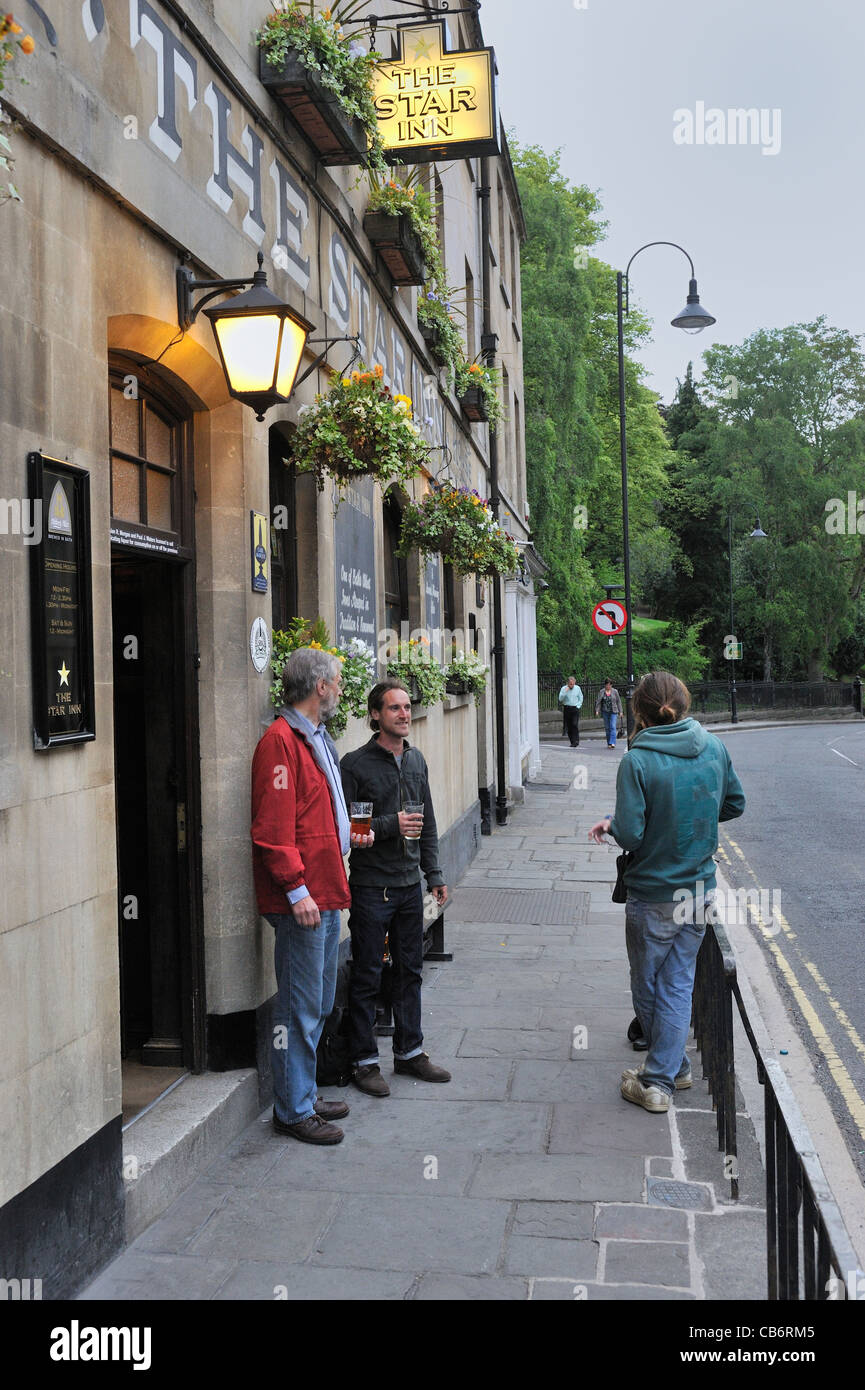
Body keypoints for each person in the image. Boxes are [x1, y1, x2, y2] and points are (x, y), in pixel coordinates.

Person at [588, 671, 745, 1114]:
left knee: (647, 983)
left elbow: (633, 835)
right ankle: (674, 1068)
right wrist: (694, 823)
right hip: (699, 890)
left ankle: (658, 1080)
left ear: (638, 710)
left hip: (654, 893)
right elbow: (734, 804)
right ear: (684, 703)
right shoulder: (714, 747)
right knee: (678, 983)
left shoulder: (637, 761)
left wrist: (613, 824)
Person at [251, 647, 374, 1145]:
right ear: (319, 686)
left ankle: (303, 1091)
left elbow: (316, 812)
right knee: (299, 1007)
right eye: (338, 682)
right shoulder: (280, 742)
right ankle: (293, 1109)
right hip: (304, 897)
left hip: (326, 888)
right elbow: (272, 829)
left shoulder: (313, 737)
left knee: (320, 1000)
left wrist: (348, 836)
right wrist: (296, 888)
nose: (341, 688)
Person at [340, 679, 451, 1096]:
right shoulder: (355, 765)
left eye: (407, 707)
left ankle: (409, 1053)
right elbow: (347, 828)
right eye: (394, 709)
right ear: (375, 715)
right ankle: (364, 1061)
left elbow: (429, 823)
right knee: (368, 973)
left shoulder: (416, 760)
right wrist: (390, 826)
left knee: (410, 972)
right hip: (371, 886)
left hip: (409, 886)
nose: (404, 714)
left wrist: (434, 874)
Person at [595, 678, 623, 747]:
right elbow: (598, 702)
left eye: (609, 685)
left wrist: (621, 711)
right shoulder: (602, 692)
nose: (608, 686)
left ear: (611, 685)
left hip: (614, 711)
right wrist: (597, 710)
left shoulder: (615, 691)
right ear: (605, 685)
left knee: (613, 726)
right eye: (607, 685)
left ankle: (612, 742)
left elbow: (618, 701)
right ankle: (609, 742)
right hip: (605, 712)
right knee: (607, 728)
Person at [558, 675, 584, 747]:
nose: (571, 685)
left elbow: (581, 697)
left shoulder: (577, 688)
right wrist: (565, 692)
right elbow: (560, 699)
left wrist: (578, 706)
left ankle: (576, 740)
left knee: (574, 724)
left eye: (573, 684)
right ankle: (572, 741)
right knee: (569, 726)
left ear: (574, 683)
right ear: (568, 683)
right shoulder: (564, 689)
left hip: (575, 708)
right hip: (567, 708)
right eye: (570, 684)